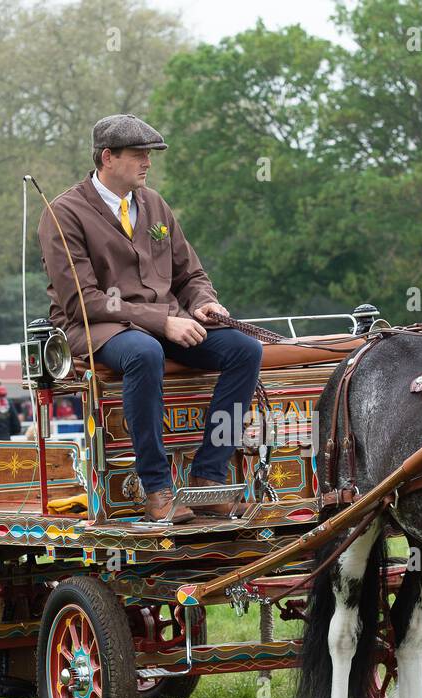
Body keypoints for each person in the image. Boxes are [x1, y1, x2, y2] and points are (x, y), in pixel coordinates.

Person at [38, 113, 263, 523]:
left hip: (163, 321)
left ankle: (208, 481)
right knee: (143, 352)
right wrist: (162, 321)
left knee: (245, 350)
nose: (148, 162)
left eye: (150, 155)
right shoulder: (63, 213)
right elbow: (83, 301)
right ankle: (157, 490)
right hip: (98, 327)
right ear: (107, 157)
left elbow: (190, 274)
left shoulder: (154, 203)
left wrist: (203, 302)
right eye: (139, 154)